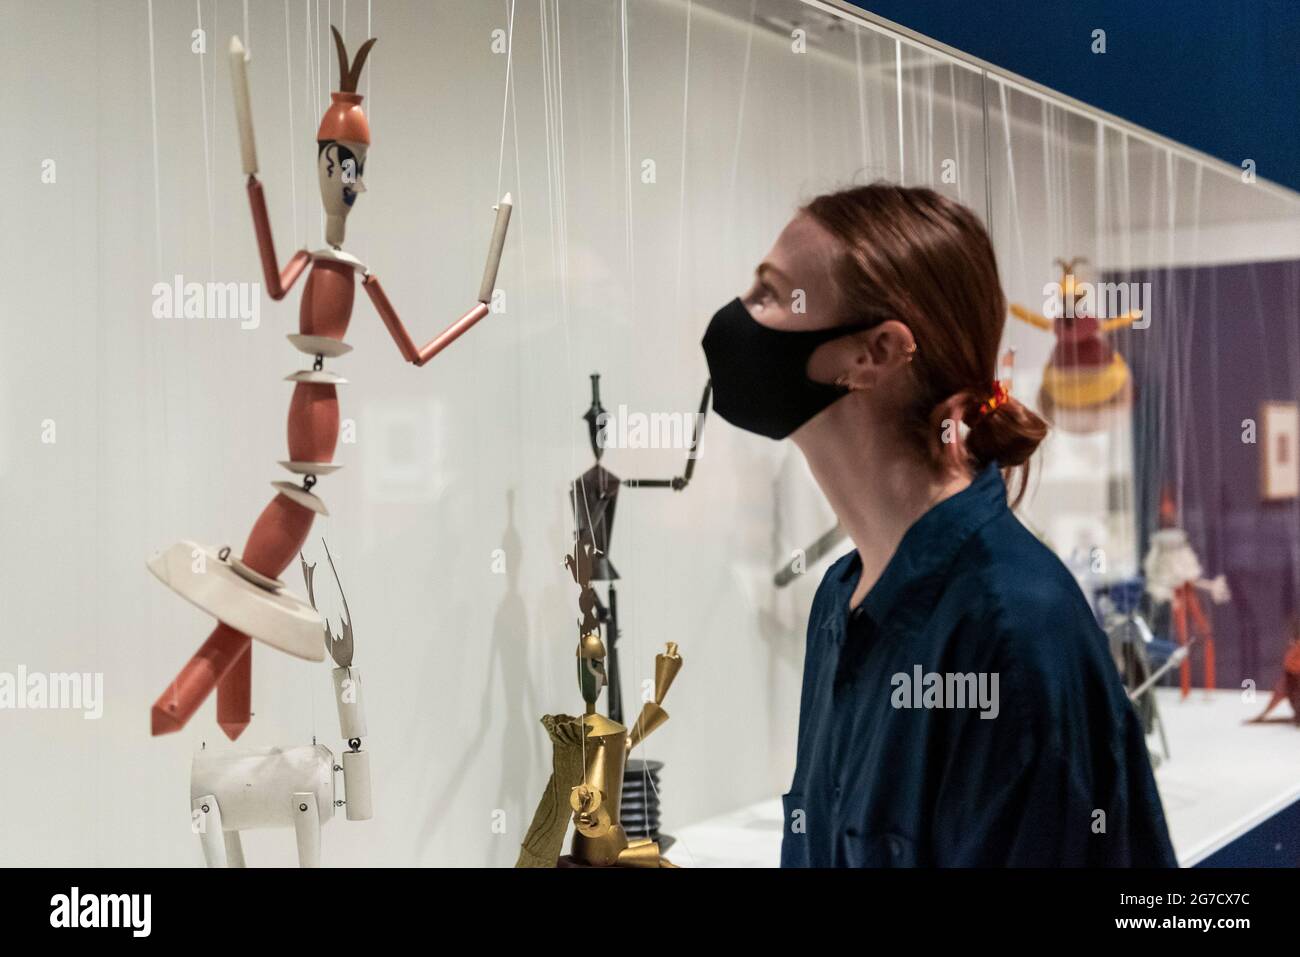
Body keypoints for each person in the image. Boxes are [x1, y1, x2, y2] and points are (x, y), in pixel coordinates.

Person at [700, 183, 1177, 867]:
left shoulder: (1012, 632)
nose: (741, 319)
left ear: (877, 351)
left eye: (770, 295)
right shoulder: (844, 596)